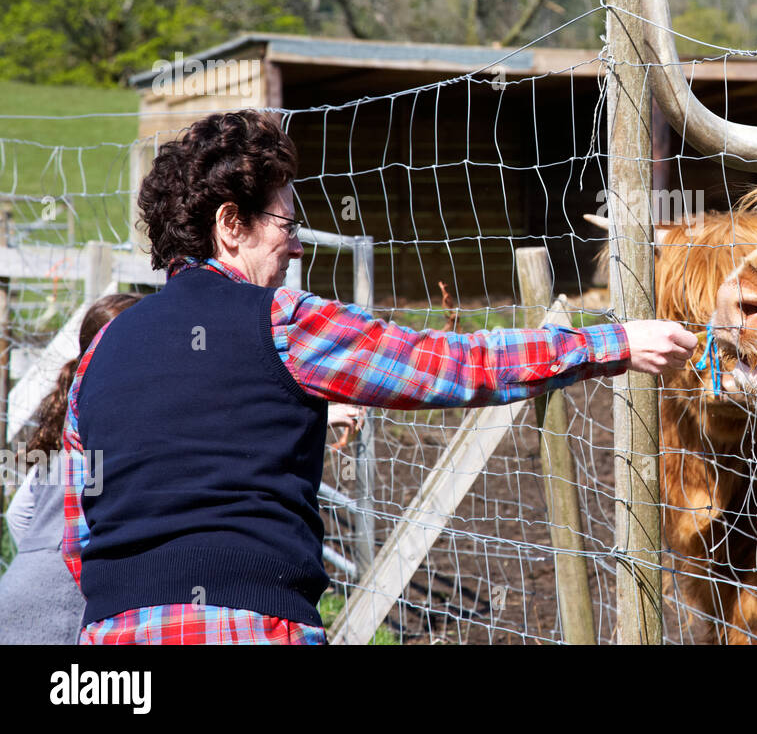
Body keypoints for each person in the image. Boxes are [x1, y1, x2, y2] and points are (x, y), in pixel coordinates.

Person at [62, 109, 694, 644]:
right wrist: (610, 343)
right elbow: (446, 365)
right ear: (231, 226)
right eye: (286, 225)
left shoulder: (99, 355)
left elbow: (76, 536)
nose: (298, 246)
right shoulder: (277, 321)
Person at [0, 293, 139, 643]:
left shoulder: (68, 434)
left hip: (18, 588)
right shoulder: (125, 434)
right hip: (65, 605)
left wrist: (42, 553)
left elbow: (17, 514)